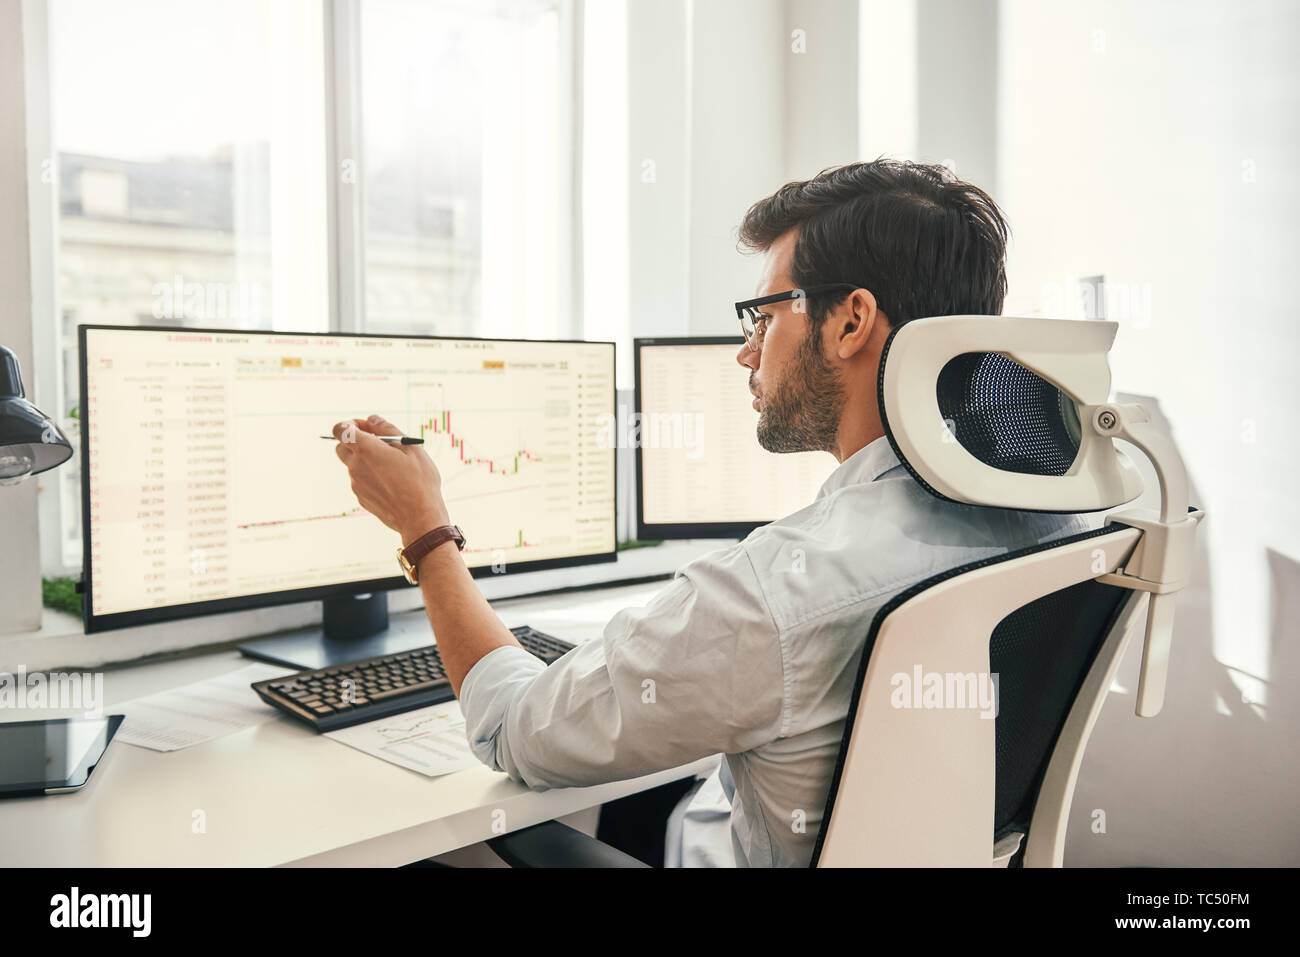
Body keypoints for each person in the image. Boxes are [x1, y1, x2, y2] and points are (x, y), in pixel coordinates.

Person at [331, 159, 1091, 867]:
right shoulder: (1059, 517)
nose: (747, 351)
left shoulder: (769, 595)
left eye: (762, 316)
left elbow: (512, 728)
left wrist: (426, 529)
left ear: (850, 322)